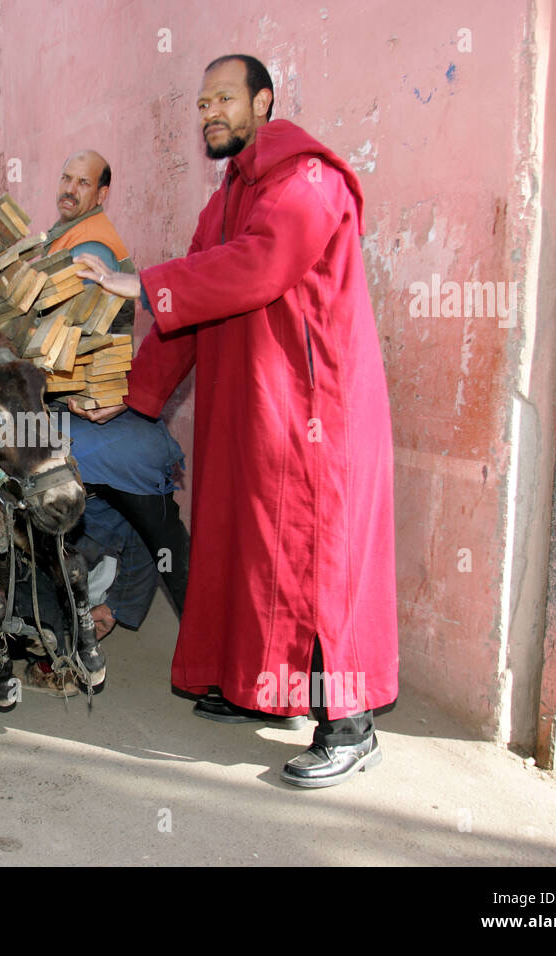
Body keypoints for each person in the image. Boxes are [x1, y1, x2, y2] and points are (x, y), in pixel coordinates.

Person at [75, 54, 398, 788]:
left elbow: (256, 267)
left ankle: (351, 725)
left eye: (224, 98)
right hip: (255, 415)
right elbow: (188, 313)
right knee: (258, 556)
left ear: (264, 101)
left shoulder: (310, 181)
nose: (208, 113)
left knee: (320, 567)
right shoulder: (225, 199)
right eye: (200, 103)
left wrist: (141, 281)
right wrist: (130, 393)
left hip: (319, 416)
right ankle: (273, 691)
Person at [30, 151, 191, 698]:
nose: (70, 189)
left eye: (83, 183)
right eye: (65, 178)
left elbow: (73, 337)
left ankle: (82, 622)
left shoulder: (90, 248)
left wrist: (66, 392)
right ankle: (129, 621)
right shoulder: (66, 235)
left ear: (102, 194)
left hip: (87, 416)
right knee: (148, 528)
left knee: (46, 490)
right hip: (111, 427)